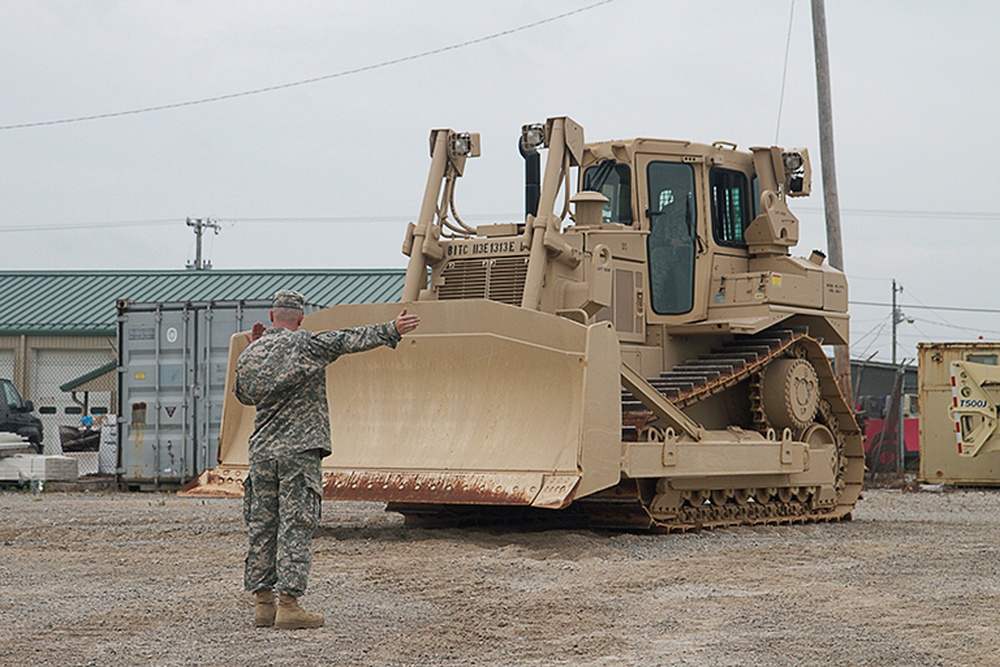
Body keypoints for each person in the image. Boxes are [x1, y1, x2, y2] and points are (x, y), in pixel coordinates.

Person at [233, 289, 420, 630]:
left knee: (262, 526)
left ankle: (263, 605)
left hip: (261, 452)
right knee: (295, 524)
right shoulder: (306, 344)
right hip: (299, 451)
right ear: (300, 319)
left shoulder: (250, 353)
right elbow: (349, 340)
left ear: (272, 317)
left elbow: (244, 396)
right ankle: (289, 605)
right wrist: (392, 329)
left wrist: (255, 350)